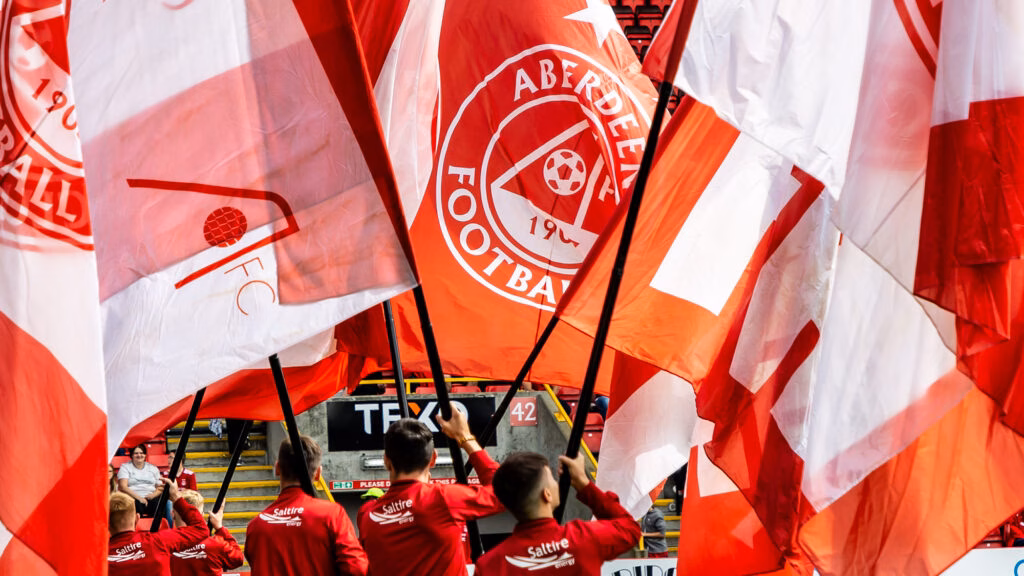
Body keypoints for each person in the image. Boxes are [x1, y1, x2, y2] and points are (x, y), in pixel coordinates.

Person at [358, 403, 504, 576]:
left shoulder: (367, 514)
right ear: (433, 458)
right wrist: (465, 437)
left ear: (386, 461)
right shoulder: (443, 498)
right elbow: (504, 491)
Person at [474, 452, 640, 575]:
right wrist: (583, 483)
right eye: (552, 479)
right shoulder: (583, 537)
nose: (557, 483)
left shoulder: (489, 565)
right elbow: (630, 529)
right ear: (547, 494)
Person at [245, 435, 368, 575]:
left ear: (277, 468)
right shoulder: (331, 515)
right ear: (318, 473)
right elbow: (357, 569)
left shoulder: (256, 526)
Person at [108, 478, 207, 575]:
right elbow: (200, 529)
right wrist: (176, 498)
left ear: (106, 524)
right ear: (137, 518)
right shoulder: (157, 542)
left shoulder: (99, 556)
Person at [169, 490, 244, 576]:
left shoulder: (162, 545)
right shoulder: (215, 544)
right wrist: (220, 528)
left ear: (172, 514)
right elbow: (238, 559)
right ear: (201, 515)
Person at [118, 444, 164, 517]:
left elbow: (160, 487)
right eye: (136, 453)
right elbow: (123, 487)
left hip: (151, 496)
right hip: (133, 496)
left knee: (158, 504)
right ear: (132, 455)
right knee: (135, 504)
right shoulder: (125, 467)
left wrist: (152, 496)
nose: (139, 455)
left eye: (142, 453)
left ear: (145, 455)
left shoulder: (153, 468)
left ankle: (157, 527)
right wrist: (139, 498)